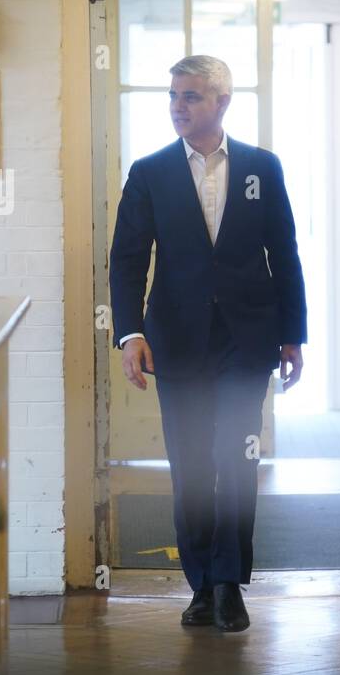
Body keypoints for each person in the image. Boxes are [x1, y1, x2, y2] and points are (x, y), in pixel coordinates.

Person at [110, 55, 307, 633]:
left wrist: (293, 334)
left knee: (237, 460)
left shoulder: (260, 168)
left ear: (221, 102)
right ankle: (200, 586)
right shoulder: (149, 173)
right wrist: (131, 333)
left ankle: (230, 584)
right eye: (173, 95)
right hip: (178, 342)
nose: (178, 105)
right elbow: (126, 261)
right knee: (191, 465)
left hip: (248, 342)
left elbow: (285, 252)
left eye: (191, 96)